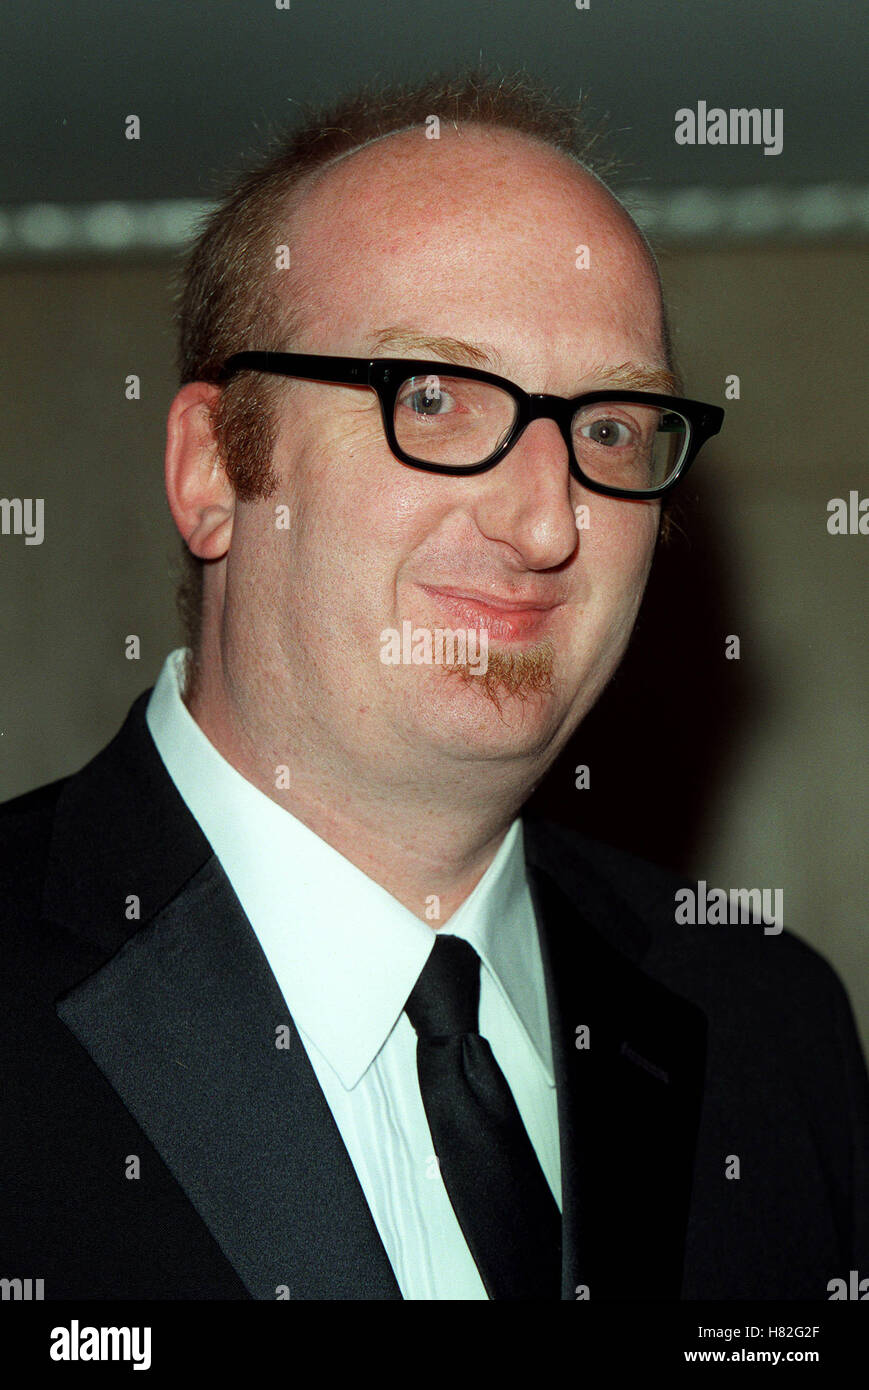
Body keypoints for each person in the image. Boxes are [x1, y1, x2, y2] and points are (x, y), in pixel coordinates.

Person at [1, 71, 866, 1302]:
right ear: (209, 471)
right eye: (433, 396)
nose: (543, 520)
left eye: (610, 426)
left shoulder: (771, 1030)